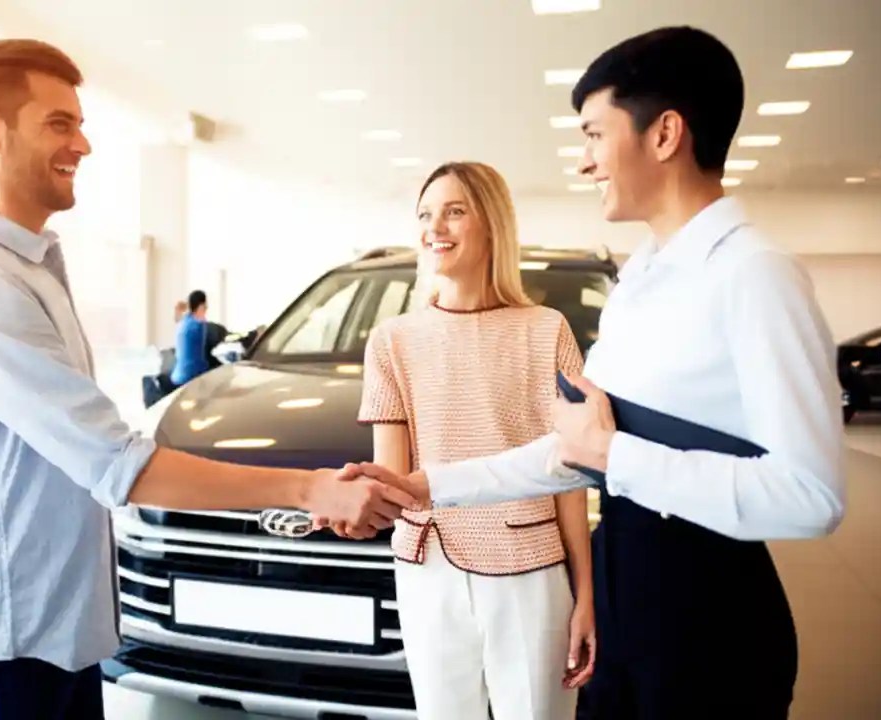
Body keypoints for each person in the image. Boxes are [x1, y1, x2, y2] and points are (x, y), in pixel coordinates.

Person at [0, 39, 417, 720]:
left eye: (80, 124)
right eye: (59, 123)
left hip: (56, 633)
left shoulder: (26, 267)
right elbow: (119, 465)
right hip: (7, 647)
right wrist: (308, 488)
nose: (82, 144)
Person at [349, 27, 846, 720]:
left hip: (707, 628)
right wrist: (427, 485)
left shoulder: (755, 275)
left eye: (593, 135)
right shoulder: (641, 279)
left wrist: (616, 456)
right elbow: (572, 455)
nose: (584, 162)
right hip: (625, 604)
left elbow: (811, 497)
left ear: (664, 134)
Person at [354, 161, 595, 719]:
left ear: (492, 224)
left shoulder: (547, 330)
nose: (434, 227)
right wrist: (347, 502)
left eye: (454, 211)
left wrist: (585, 595)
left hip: (531, 571)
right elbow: (394, 484)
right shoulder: (392, 341)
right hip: (428, 570)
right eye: (425, 214)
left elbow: (569, 481)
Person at [170, 289, 211, 385]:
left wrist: (188, 305)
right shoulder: (199, 325)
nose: (207, 308)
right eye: (205, 305)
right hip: (191, 377)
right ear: (201, 306)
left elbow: (177, 318)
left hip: (177, 376)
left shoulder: (183, 322)